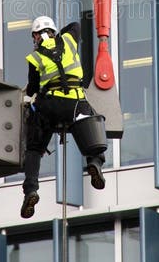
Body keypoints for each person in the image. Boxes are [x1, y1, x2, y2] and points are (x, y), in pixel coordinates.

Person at [21, 15, 106, 218]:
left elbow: (32, 87)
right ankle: (94, 162)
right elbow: (75, 25)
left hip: (49, 104)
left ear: (35, 36)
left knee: (34, 148)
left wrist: (27, 99)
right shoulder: (68, 39)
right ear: (53, 30)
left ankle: (31, 189)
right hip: (75, 101)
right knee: (92, 126)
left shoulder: (35, 57)